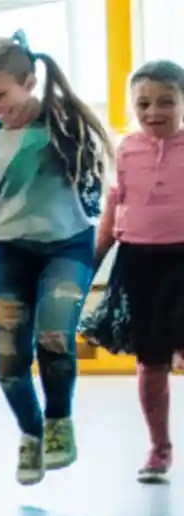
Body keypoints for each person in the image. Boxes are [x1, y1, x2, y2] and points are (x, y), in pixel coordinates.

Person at [0, 30, 113, 486]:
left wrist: (84, 176)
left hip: (67, 245)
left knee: (54, 336)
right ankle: (31, 433)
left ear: (29, 82)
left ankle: (59, 424)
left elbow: (93, 187)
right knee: (9, 356)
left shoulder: (63, 124)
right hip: (11, 250)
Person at [80, 60, 184, 483]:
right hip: (139, 264)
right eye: (143, 103)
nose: (154, 111)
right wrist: (92, 260)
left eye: (166, 102)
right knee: (151, 361)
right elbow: (113, 209)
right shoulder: (126, 150)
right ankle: (159, 448)